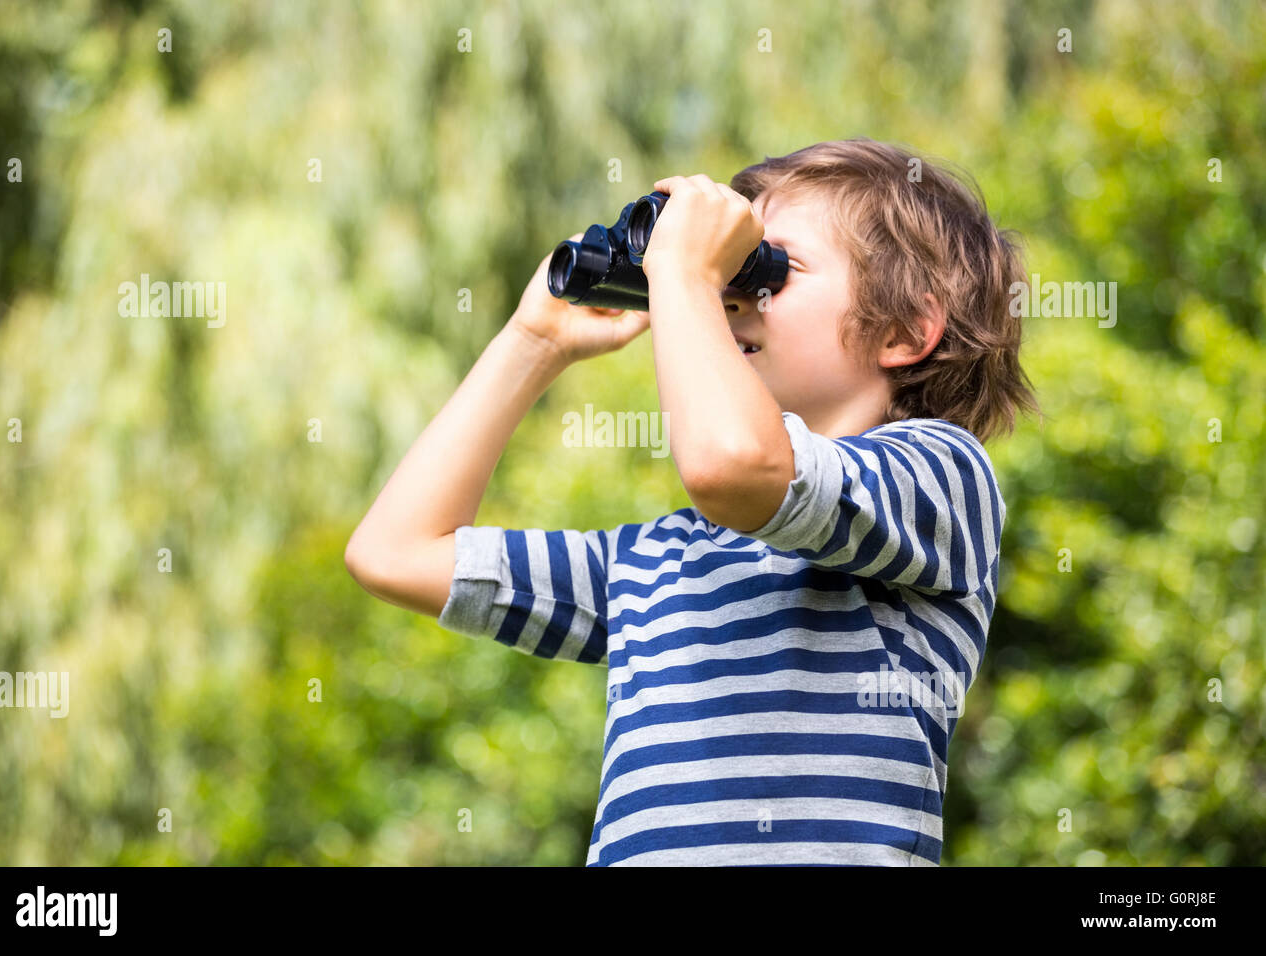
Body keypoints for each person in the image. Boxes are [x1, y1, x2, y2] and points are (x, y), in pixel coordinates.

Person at [345, 138, 1041, 865]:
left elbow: (735, 465)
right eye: (729, 270)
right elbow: (393, 553)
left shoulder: (942, 476)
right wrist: (534, 341)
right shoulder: (657, 563)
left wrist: (681, 269)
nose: (731, 293)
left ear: (904, 331)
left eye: (768, 269)